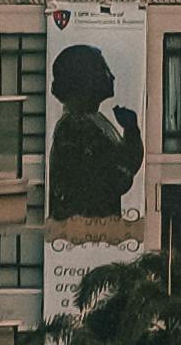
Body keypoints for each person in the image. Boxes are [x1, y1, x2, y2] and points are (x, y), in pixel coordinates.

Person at [46, 36, 145, 231]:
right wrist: (130, 133)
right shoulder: (76, 127)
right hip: (86, 229)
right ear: (86, 77)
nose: (112, 76)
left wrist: (131, 129)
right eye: (104, 69)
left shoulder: (94, 120)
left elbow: (125, 165)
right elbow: (117, 178)